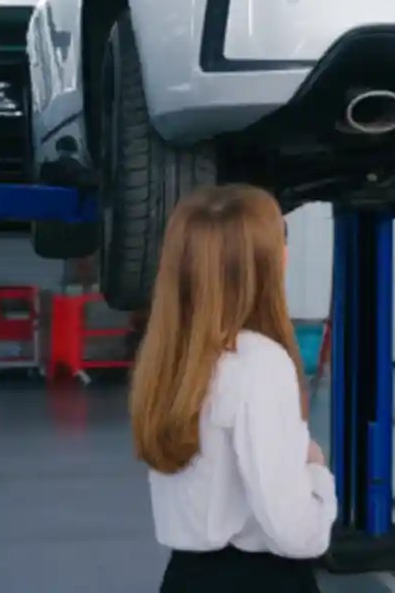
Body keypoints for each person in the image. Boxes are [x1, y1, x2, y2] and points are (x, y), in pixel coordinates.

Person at [128, 185, 336, 593]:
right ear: (269, 263)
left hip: (185, 578)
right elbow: (295, 533)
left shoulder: (170, 360)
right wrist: (315, 470)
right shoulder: (258, 362)